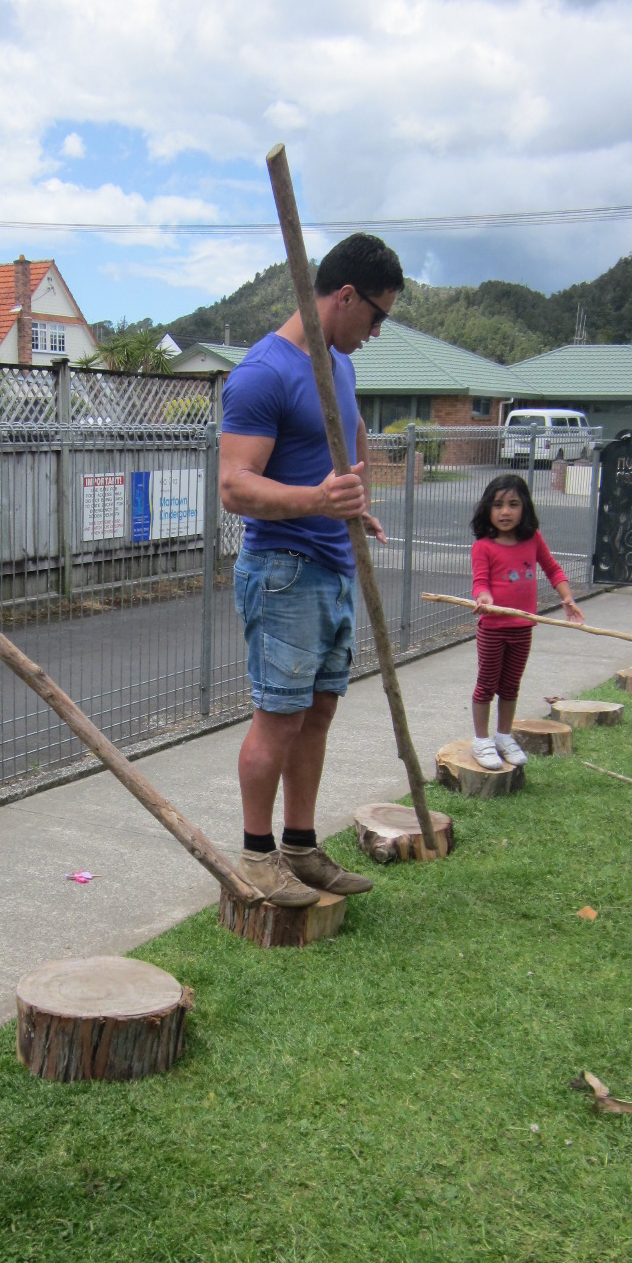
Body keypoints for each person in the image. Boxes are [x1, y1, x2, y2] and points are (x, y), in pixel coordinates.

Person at [219, 232, 402, 905]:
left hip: (333, 565)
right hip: (284, 571)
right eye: (376, 316)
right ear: (345, 296)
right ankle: (255, 855)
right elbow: (235, 486)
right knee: (279, 716)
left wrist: (357, 506)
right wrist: (319, 501)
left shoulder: (337, 364)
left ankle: (300, 847)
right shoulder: (263, 372)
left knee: (317, 713)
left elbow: (353, 437)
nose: (376, 332)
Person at [469, 473, 583, 770]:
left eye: (513, 504)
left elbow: (553, 569)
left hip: (522, 629)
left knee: (510, 686)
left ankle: (504, 736)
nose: (505, 512)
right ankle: (481, 741)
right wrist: (484, 598)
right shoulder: (483, 546)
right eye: (497, 505)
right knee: (486, 685)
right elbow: (480, 583)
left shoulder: (533, 539)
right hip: (493, 630)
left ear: (525, 507)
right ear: (487, 509)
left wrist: (567, 597)